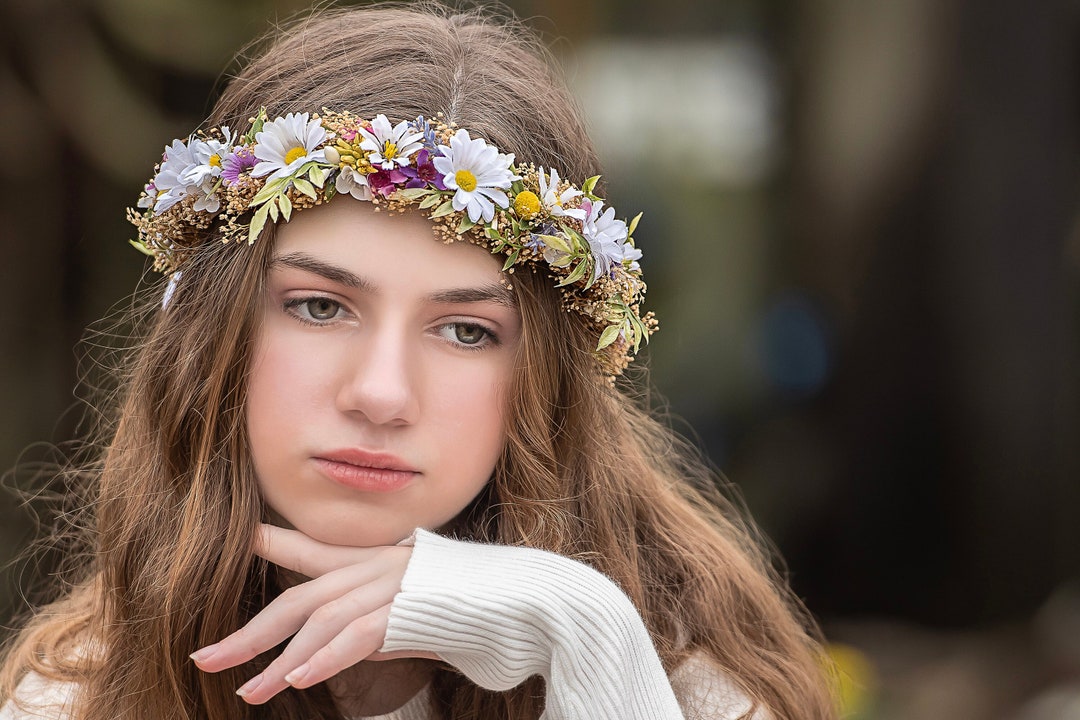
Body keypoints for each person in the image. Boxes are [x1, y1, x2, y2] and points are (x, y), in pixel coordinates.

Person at [0, 3, 836, 719]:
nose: (381, 393)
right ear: (213, 335)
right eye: (320, 307)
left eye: (466, 330)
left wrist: (585, 636)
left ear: (543, 383)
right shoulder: (78, 698)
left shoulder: (687, 683)